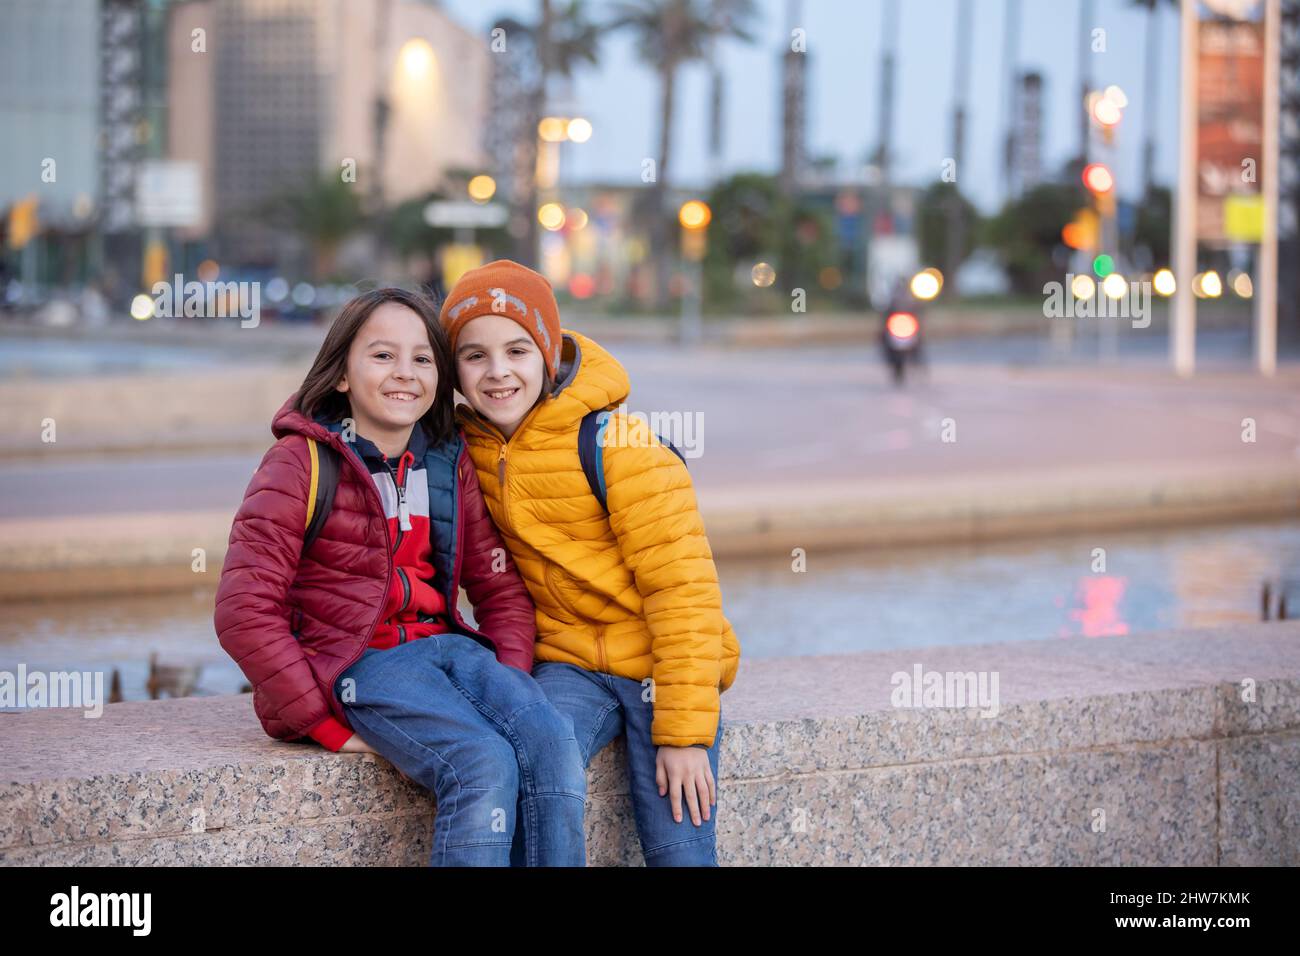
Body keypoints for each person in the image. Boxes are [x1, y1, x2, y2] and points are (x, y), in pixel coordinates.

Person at [214, 286, 587, 866]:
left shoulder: (447, 459)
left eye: (422, 359)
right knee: (482, 761)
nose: (404, 374)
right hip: (356, 664)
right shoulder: (299, 463)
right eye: (382, 356)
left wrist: (508, 685)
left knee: (553, 740)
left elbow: (499, 589)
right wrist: (321, 723)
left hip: (448, 651)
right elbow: (243, 611)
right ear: (341, 373)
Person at [440, 260, 741, 866]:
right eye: (474, 357)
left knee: (679, 842)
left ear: (549, 353)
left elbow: (684, 595)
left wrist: (683, 735)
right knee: (534, 771)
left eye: (518, 350)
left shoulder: (622, 448)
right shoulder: (466, 448)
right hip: (570, 663)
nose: (498, 372)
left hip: (663, 661)